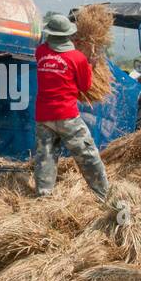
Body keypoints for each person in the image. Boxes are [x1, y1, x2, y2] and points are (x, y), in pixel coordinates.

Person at [33, 12, 109, 200]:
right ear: (67, 36)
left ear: (50, 35)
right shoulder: (77, 58)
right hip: (67, 117)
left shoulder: (40, 52)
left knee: (46, 157)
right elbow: (85, 86)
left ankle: (44, 196)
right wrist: (90, 65)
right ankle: (103, 194)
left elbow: (49, 49)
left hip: (43, 116)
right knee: (87, 154)